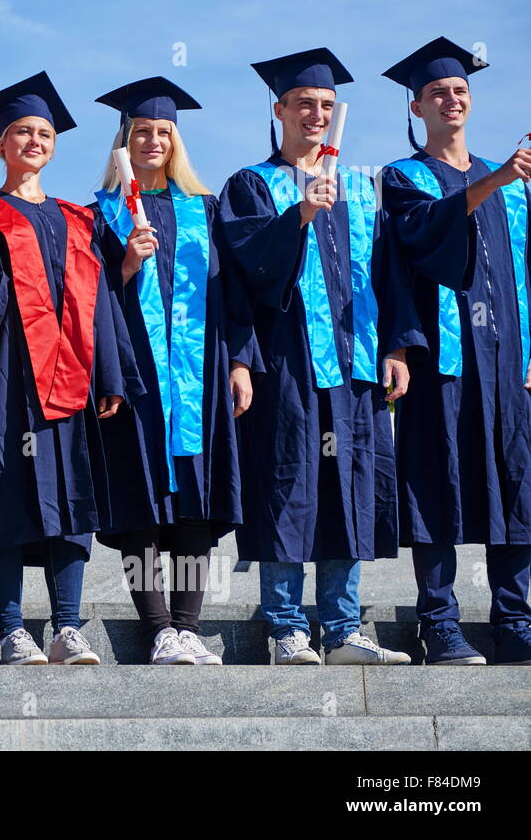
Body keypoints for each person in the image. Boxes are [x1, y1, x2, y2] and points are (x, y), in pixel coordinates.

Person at [218, 48, 412, 666]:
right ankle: (283, 627)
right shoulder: (252, 183)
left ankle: (344, 625)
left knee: (349, 490)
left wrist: (397, 347)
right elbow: (243, 270)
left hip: (354, 367)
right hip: (287, 365)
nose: (316, 113)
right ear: (279, 109)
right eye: (303, 103)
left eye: (326, 105)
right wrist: (299, 214)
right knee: (287, 487)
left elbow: (387, 273)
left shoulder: (359, 185)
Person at [0, 72, 129, 666]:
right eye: (22, 132)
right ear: (1, 144)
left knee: (71, 494)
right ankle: (11, 628)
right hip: (5, 379)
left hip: (70, 380)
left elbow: (101, 299)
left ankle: (66, 626)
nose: (34, 140)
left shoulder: (79, 219)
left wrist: (110, 374)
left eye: (44, 133)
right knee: (4, 490)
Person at [90, 77, 254, 665]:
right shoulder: (99, 216)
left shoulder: (206, 210)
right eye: (142, 133)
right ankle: (159, 628)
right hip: (136, 380)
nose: (153, 140)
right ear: (124, 141)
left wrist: (240, 362)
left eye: (163, 132)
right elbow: (89, 301)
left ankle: (188, 628)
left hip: (200, 376)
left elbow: (234, 295)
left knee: (196, 501)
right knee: (142, 500)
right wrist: (127, 263)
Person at [379, 37, 531, 666]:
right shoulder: (402, 178)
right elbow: (421, 236)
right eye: (437, 92)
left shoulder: (516, 187)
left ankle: (514, 618)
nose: (451, 98)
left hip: (507, 361)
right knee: (435, 479)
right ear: (417, 108)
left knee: (518, 483)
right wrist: (495, 179)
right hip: (441, 358)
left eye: (460, 90)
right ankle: (438, 621)